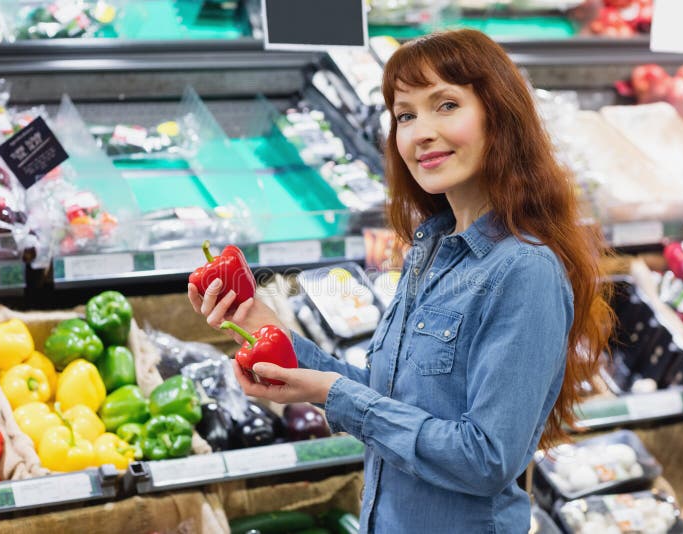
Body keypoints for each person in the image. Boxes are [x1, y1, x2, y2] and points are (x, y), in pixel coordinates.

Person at [188, 28, 613, 534]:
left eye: (446, 105)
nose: (420, 133)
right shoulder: (429, 252)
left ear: (500, 116)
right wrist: (265, 329)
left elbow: (486, 458)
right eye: (405, 115)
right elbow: (392, 401)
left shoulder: (523, 269)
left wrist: (335, 394)